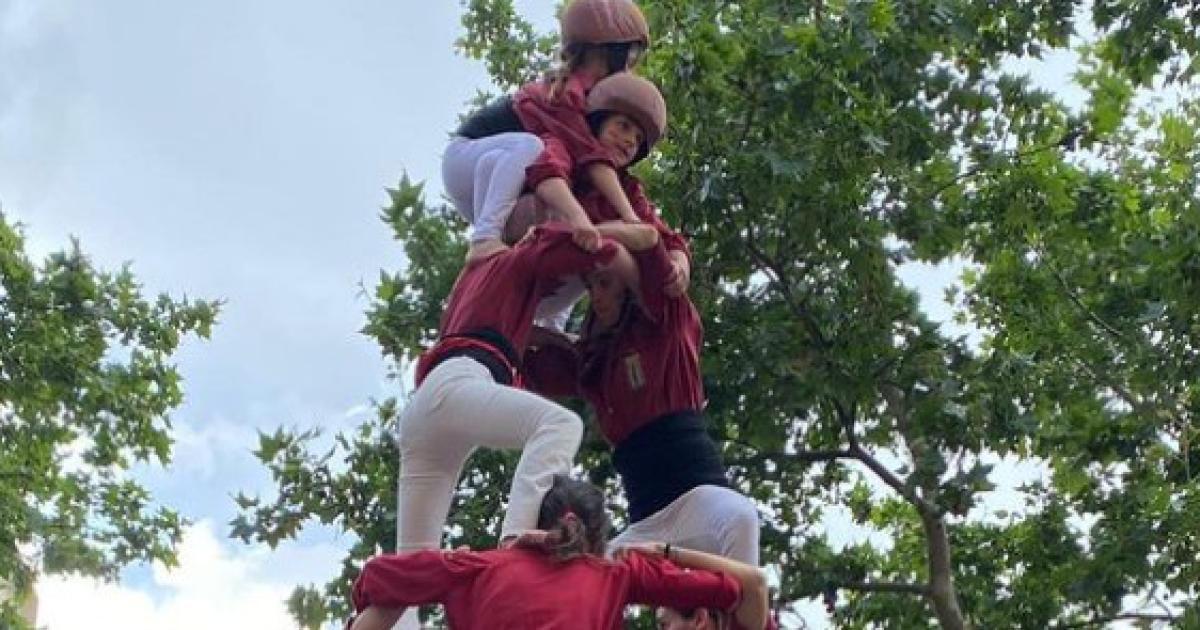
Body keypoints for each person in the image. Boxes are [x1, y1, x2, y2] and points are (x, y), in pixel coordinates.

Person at [524, 223, 762, 566]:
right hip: (645, 522)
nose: (597, 296)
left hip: (698, 498)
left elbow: (650, 243)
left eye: (605, 283)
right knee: (577, 574)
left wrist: (578, 229)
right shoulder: (593, 365)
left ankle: (748, 618)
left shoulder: (666, 321)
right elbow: (519, 351)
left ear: (629, 285)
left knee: (741, 516)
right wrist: (552, 337)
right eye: (590, 287)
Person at [350, 475, 770, 630]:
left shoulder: (476, 566)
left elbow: (379, 576)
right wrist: (667, 553)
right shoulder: (618, 575)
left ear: (539, 522)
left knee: (391, 598)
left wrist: (441, 570)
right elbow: (734, 588)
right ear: (598, 536)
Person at [441, 0, 651, 251]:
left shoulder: (589, 97)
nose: (629, 67)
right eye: (629, 55)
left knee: (556, 219)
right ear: (608, 50)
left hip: (491, 177)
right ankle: (484, 239)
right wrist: (630, 218)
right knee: (532, 146)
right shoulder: (567, 91)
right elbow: (592, 157)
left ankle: (502, 262)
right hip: (465, 159)